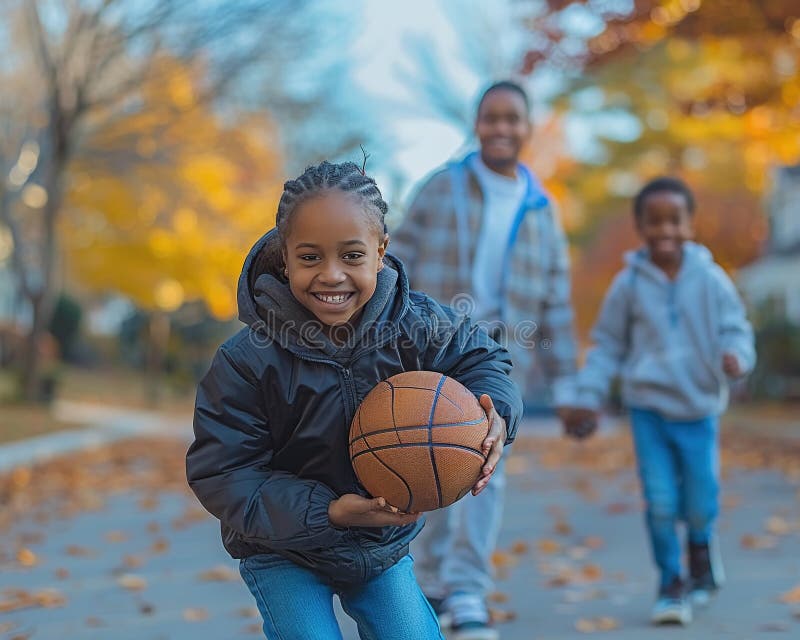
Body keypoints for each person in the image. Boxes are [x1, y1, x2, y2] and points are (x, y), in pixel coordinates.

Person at [185, 160, 523, 640]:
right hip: (283, 548)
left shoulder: (417, 325)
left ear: (380, 252)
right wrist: (328, 511)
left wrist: (496, 415)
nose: (331, 275)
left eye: (351, 256)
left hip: (379, 544)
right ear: (284, 258)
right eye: (309, 258)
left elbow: (484, 359)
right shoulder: (248, 361)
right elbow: (223, 474)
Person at [391, 80, 578, 639]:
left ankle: (468, 589)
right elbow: (396, 262)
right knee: (427, 460)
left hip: (500, 356)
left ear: (527, 127)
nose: (501, 128)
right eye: (490, 117)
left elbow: (557, 302)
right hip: (433, 345)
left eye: (512, 118)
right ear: (476, 125)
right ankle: (427, 584)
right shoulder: (441, 188)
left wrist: (570, 385)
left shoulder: (542, 210)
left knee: (484, 472)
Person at [565, 176, 756, 626]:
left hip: (699, 408)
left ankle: (700, 546)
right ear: (641, 227)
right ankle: (672, 584)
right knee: (661, 500)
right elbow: (607, 344)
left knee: (700, 502)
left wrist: (737, 357)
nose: (665, 231)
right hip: (648, 409)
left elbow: (736, 328)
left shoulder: (711, 279)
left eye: (676, 221)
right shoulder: (628, 285)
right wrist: (589, 396)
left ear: (690, 225)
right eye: (655, 222)